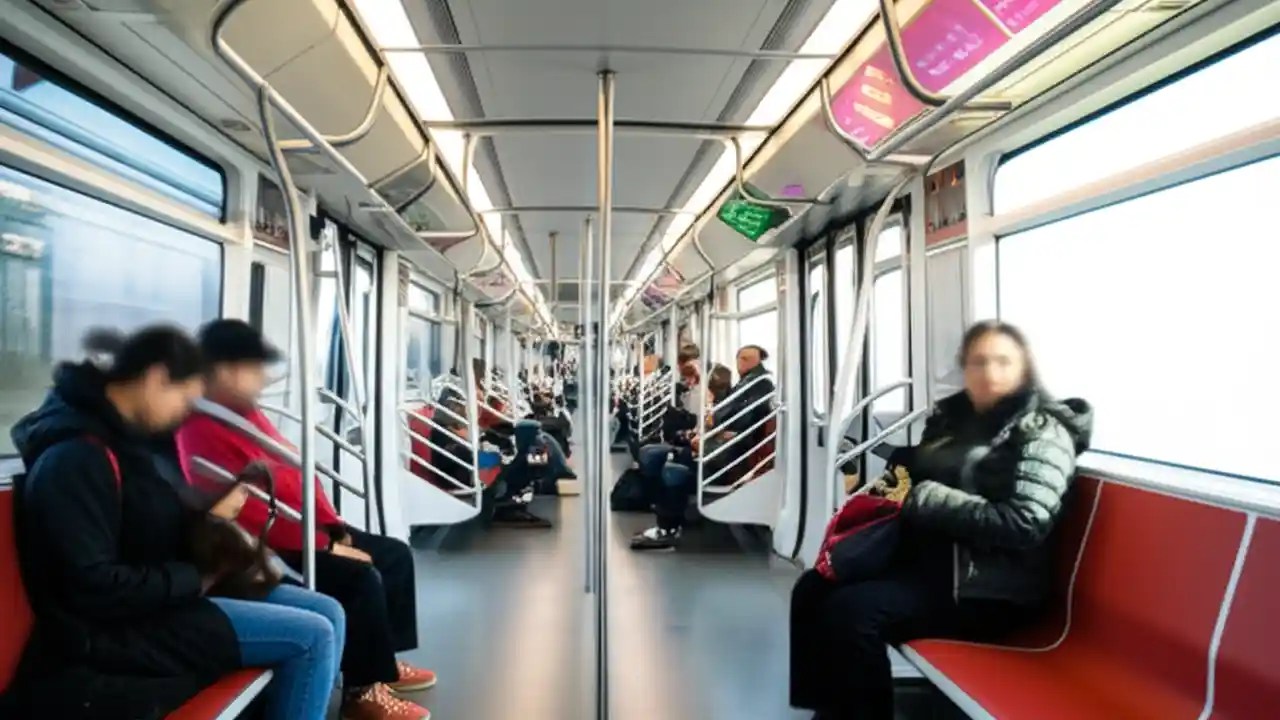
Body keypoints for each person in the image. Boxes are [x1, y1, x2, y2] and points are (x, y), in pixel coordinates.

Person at [7, 326, 342, 720]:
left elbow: (149, 521)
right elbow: (93, 586)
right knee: (312, 637)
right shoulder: (75, 458)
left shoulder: (133, 441)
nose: (185, 411)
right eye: (184, 397)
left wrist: (212, 520)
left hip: (165, 592)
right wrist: (194, 577)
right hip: (119, 627)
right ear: (156, 378)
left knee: (328, 610)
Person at [789, 320, 1093, 720]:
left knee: (854, 612)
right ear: (964, 369)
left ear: (1025, 367)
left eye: (1003, 361)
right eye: (978, 362)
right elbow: (922, 475)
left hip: (987, 590)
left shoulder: (1042, 432)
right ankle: (831, 711)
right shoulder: (952, 422)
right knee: (811, 590)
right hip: (927, 569)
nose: (990, 373)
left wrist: (929, 499)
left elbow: (1025, 523)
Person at [173, 320, 433, 720]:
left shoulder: (245, 414)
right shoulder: (199, 429)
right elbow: (248, 508)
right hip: (268, 545)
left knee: (395, 555)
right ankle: (361, 692)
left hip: (307, 528)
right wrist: (322, 544)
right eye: (253, 367)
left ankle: (382, 667)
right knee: (360, 578)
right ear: (223, 370)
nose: (262, 378)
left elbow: (297, 477)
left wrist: (336, 528)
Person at [630, 347, 775, 550]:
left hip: (724, 460)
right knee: (657, 456)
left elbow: (736, 422)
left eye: (747, 359)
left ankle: (668, 528)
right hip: (716, 452)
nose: (741, 362)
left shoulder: (759, 386)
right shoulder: (744, 386)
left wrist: (713, 427)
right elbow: (722, 419)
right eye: (739, 358)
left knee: (671, 469)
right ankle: (664, 519)